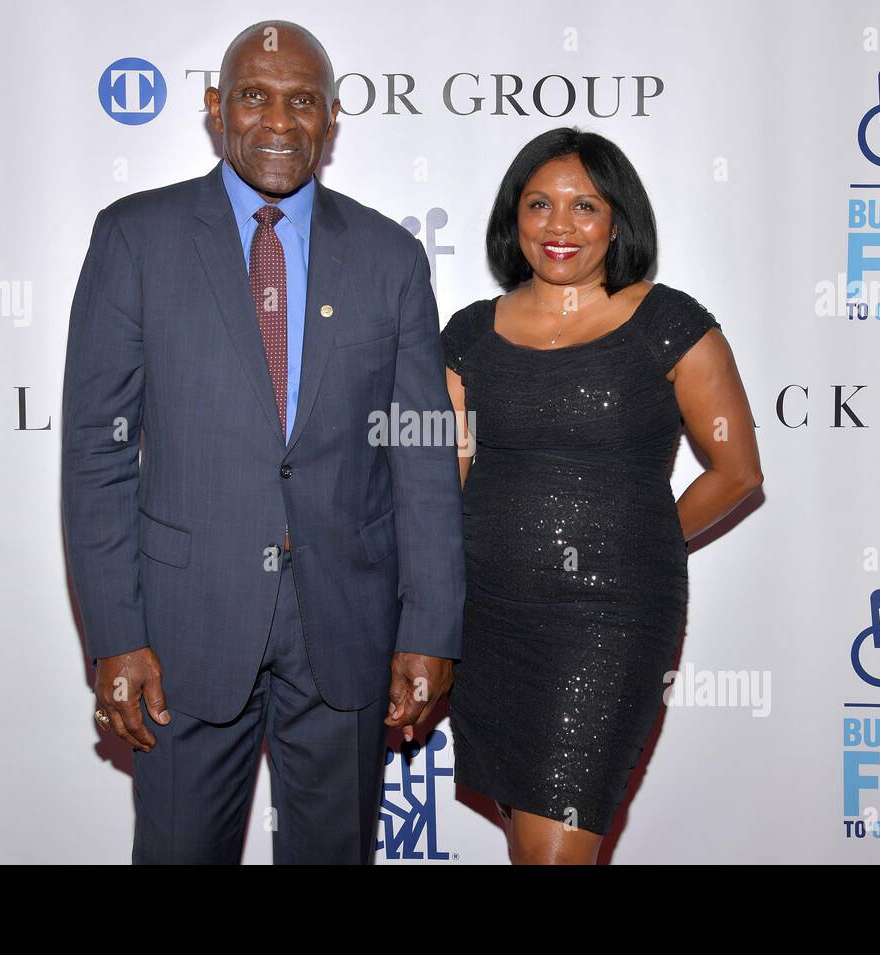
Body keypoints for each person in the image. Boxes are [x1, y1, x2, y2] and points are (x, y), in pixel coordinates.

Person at [60, 20, 464, 864]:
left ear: (332, 118)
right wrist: (114, 633)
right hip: (181, 630)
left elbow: (422, 456)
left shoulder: (390, 258)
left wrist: (429, 629)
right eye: (254, 96)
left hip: (346, 625)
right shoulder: (137, 237)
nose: (278, 121)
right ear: (215, 108)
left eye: (302, 101)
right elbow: (98, 452)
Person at [441, 127, 763, 864]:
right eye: (539, 204)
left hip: (609, 623)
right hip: (486, 617)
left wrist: (641, 541)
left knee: (555, 849)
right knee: (533, 845)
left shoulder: (668, 324)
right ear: (511, 217)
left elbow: (736, 469)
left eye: (584, 206)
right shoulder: (468, 335)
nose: (559, 226)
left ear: (618, 219)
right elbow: (444, 483)